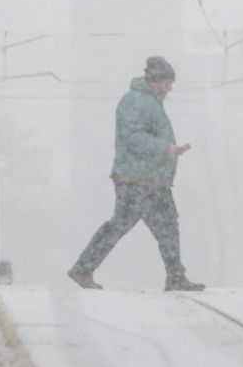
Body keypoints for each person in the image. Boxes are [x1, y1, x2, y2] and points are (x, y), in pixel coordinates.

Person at [67, 56, 205, 291]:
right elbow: (132, 138)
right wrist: (165, 148)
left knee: (165, 225)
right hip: (136, 180)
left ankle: (175, 276)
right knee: (124, 225)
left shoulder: (147, 101)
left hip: (150, 179)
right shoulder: (136, 101)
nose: (169, 88)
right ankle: (83, 269)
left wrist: (168, 151)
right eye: (167, 83)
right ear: (155, 81)